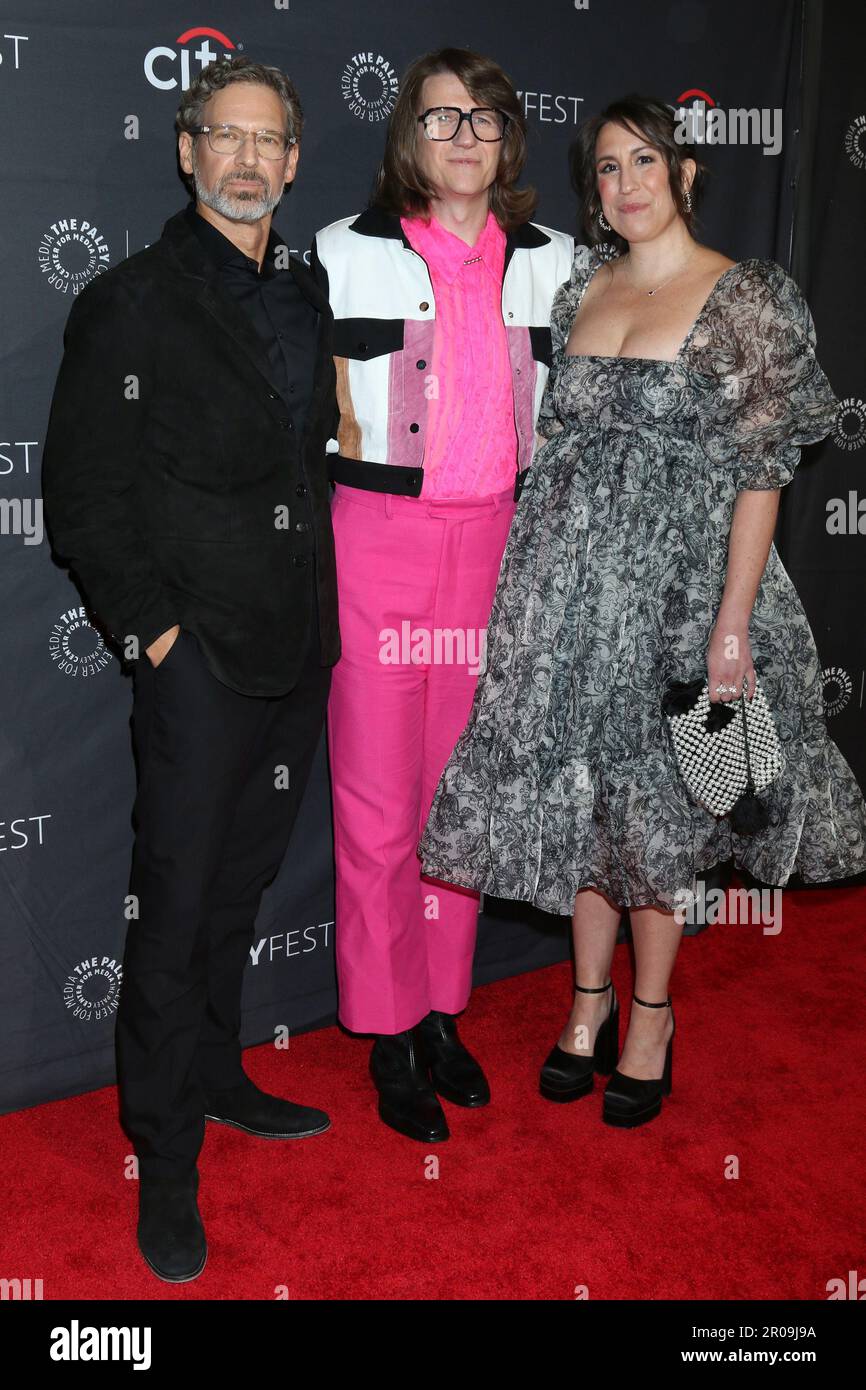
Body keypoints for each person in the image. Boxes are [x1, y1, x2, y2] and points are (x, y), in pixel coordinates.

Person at [418, 94, 866, 1129]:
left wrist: (730, 621)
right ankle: (585, 1003)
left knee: (658, 814)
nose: (623, 184)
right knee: (585, 809)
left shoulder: (744, 297)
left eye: (642, 162)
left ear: (685, 174)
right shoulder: (582, 283)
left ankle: (651, 1017)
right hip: (566, 600)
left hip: (676, 601)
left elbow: (763, 474)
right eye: (606, 169)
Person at [41, 56, 338, 1282]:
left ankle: (215, 1075)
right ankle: (163, 1154)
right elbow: (82, 498)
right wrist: (154, 634)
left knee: (238, 887)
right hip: (197, 657)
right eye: (225, 135)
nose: (247, 159)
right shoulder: (130, 301)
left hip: (294, 644)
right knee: (170, 912)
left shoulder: (309, 292)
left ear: (294, 159)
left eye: (268, 141)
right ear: (184, 148)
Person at [310, 48, 573, 1143]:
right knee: (376, 801)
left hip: (498, 549)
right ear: (405, 138)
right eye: (439, 119)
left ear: (507, 140)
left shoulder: (556, 261)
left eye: (482, 120)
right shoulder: (337, 255)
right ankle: (384, 1025)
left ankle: (439, 1015)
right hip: (377, 540)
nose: (461, 138)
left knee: (460, 796)